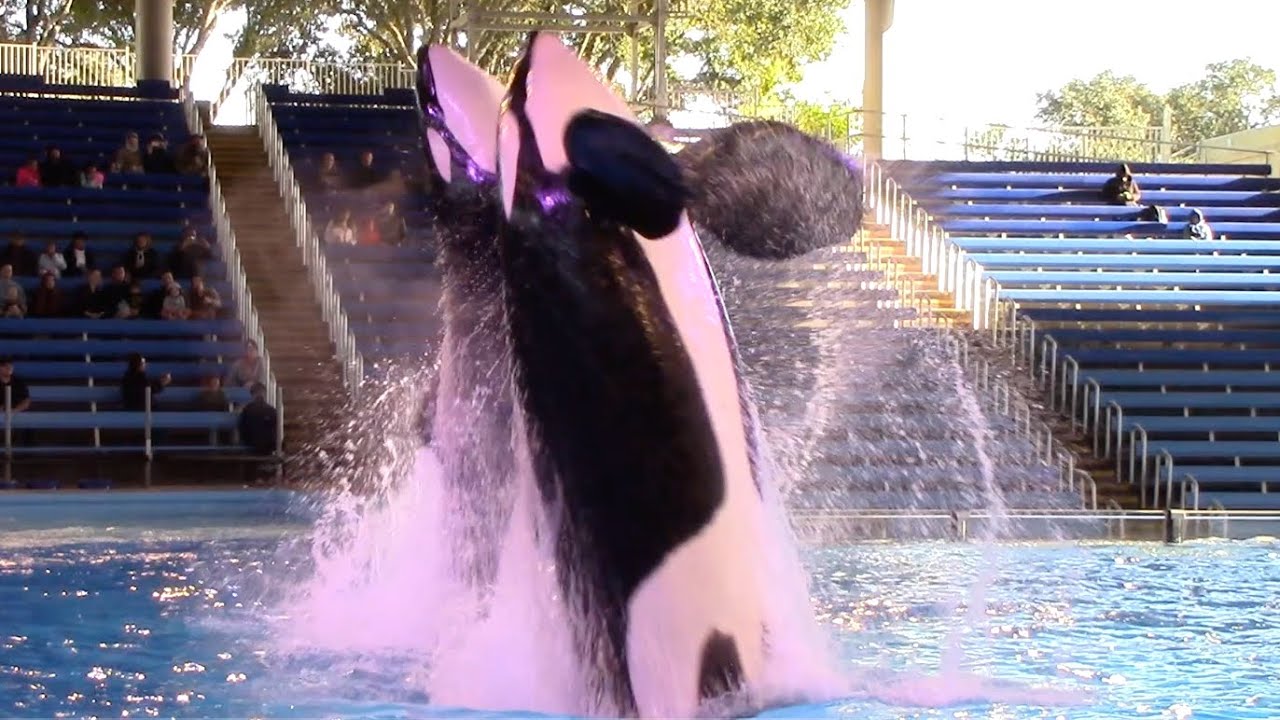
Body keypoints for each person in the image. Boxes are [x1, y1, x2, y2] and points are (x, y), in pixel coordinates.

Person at [238, 382, 279, 455]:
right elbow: (275, 429)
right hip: (269, 445)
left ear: (252, 395)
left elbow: (242, 428)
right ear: (265, 394)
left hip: (251, 443)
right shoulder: (272, 410)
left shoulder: (247, 409)